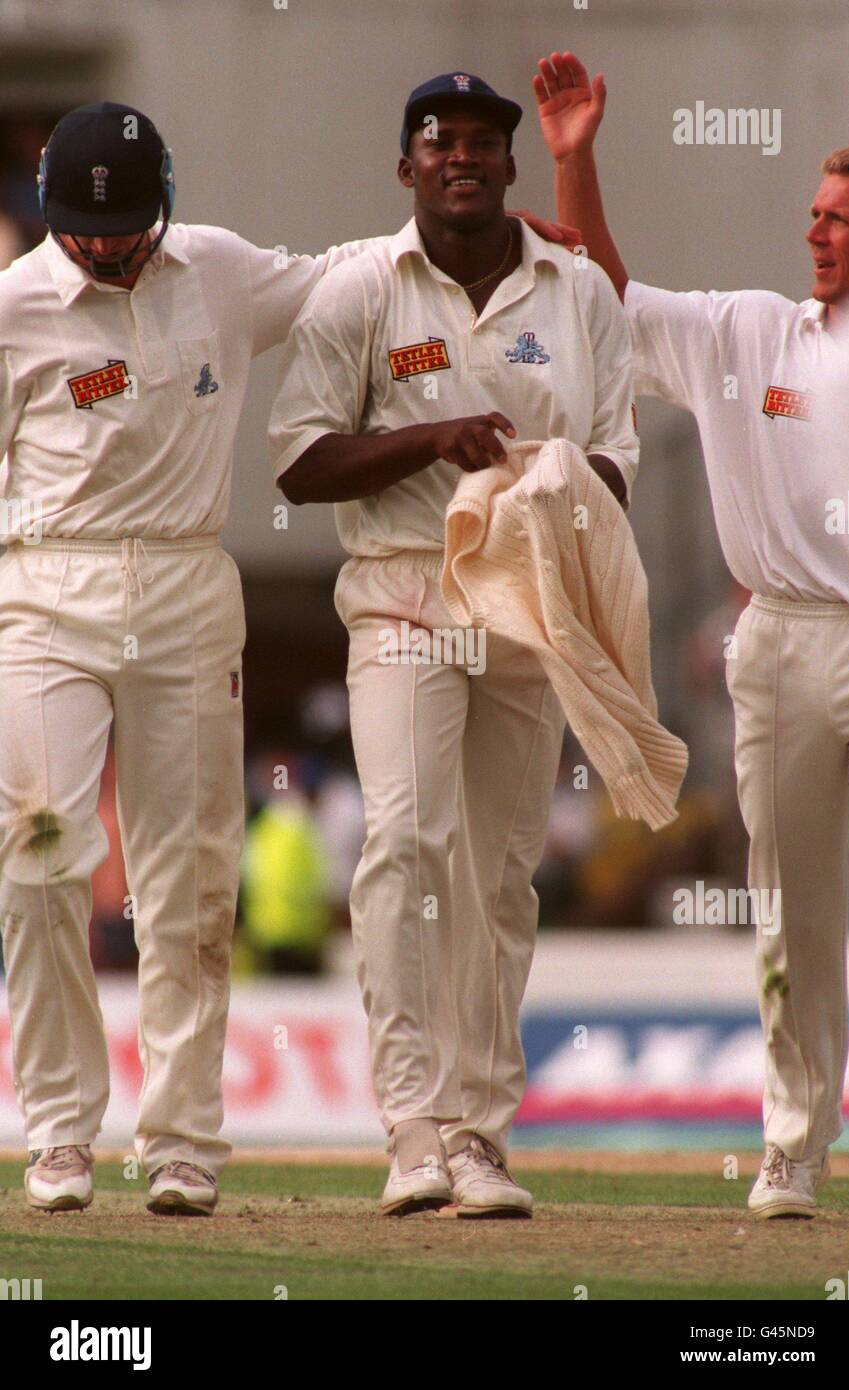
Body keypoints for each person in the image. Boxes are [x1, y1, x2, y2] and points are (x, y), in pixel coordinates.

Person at [0, 100, 392, 1217]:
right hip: (48, 585)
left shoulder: (217, 269)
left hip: (184, 585)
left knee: (191, 879)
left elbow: (341, 277)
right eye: (88, 235)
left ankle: (179, 1140)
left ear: (164, 202)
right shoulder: (15, 307)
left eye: (129, 231)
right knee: (39, 857)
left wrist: (477, 240)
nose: (110, 253)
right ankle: (60, 1133)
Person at [269, 72, 638, 1216]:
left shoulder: (577, 291)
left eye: (483, 142)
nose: (461, 157)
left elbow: (618, 462)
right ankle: (414, 1126)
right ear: (407, 166)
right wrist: (432, 440)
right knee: (404, 840)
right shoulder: (359, 290)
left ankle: (479, 1135)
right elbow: (298, 461)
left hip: (527, 601)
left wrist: (550, 479)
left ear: (513, 168)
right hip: (404, 594)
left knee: (498, 875)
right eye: (439, 142)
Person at [534, 49, 849, 1217]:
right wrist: (575, 161)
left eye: (838, 218)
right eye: (813, 213)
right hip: (776, 639)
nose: (814, 231)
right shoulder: (749, 333)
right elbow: (600, 299)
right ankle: (792, 1148)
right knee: (789, 908)